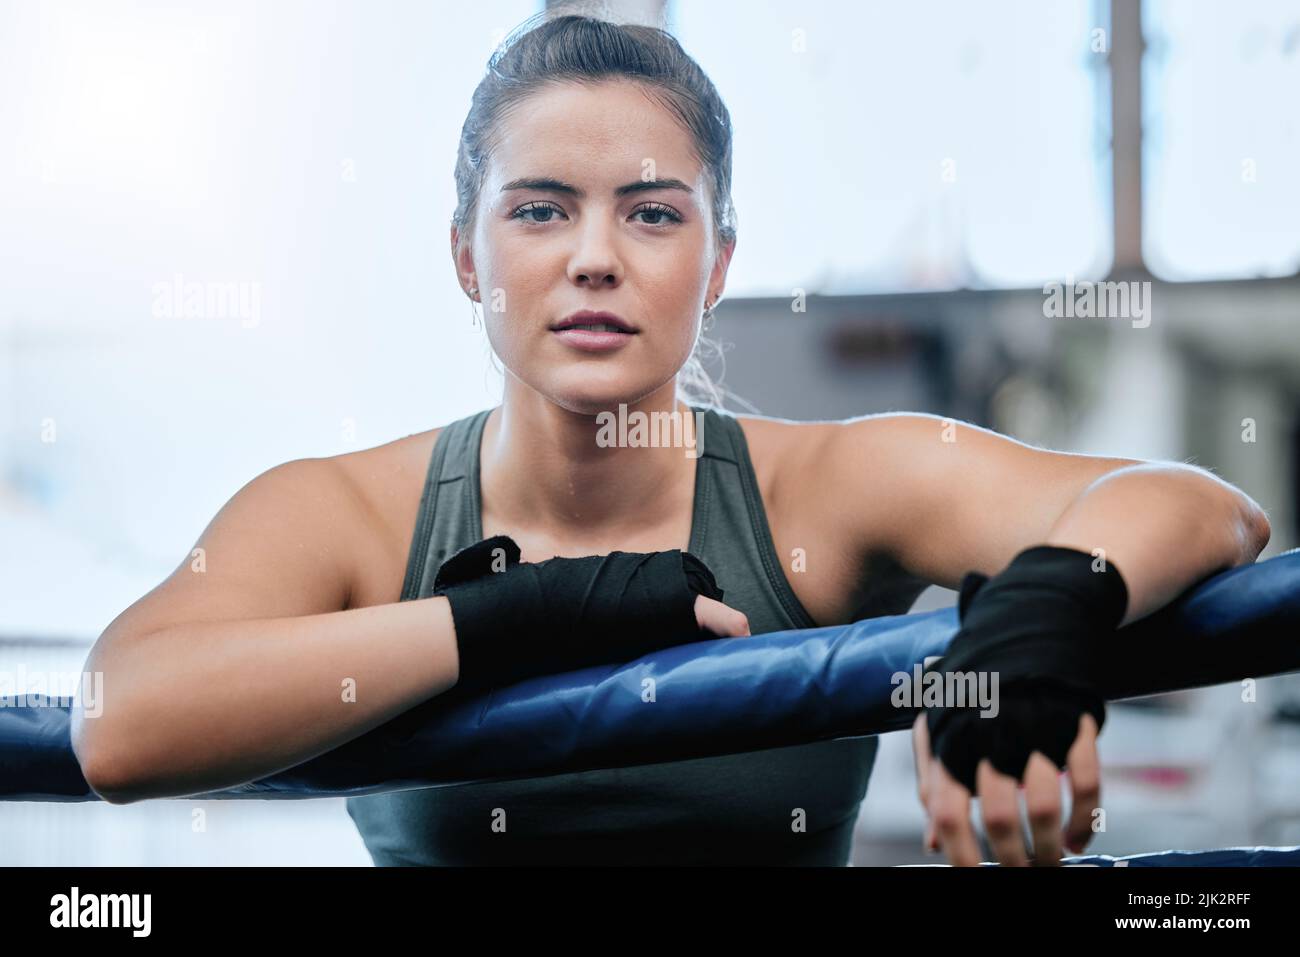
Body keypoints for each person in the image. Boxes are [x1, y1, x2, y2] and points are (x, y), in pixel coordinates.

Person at [70, 12, 1271, 867]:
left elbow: (1196, 504)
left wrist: (1046, 605)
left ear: (718, 265)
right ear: (464, 256)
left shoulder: (821, 491)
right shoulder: (352, 515)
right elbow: (119, 718)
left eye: (651, 213)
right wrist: (506, 624)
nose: (594, 254)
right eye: (539, 209)